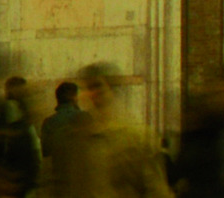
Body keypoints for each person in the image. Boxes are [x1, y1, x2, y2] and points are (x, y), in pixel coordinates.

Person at [69, 64, 169, 198]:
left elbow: (156, 189)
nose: (90, 94)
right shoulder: (73, 137)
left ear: (111, 89)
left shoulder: (135, 137)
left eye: (96, 86)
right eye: (84, 88)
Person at [41, 82, 87, 196]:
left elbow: (46, 151)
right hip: (81, 180)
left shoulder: (48, 122)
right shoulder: (84, 118)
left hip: (59, 180)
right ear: (74, 97)